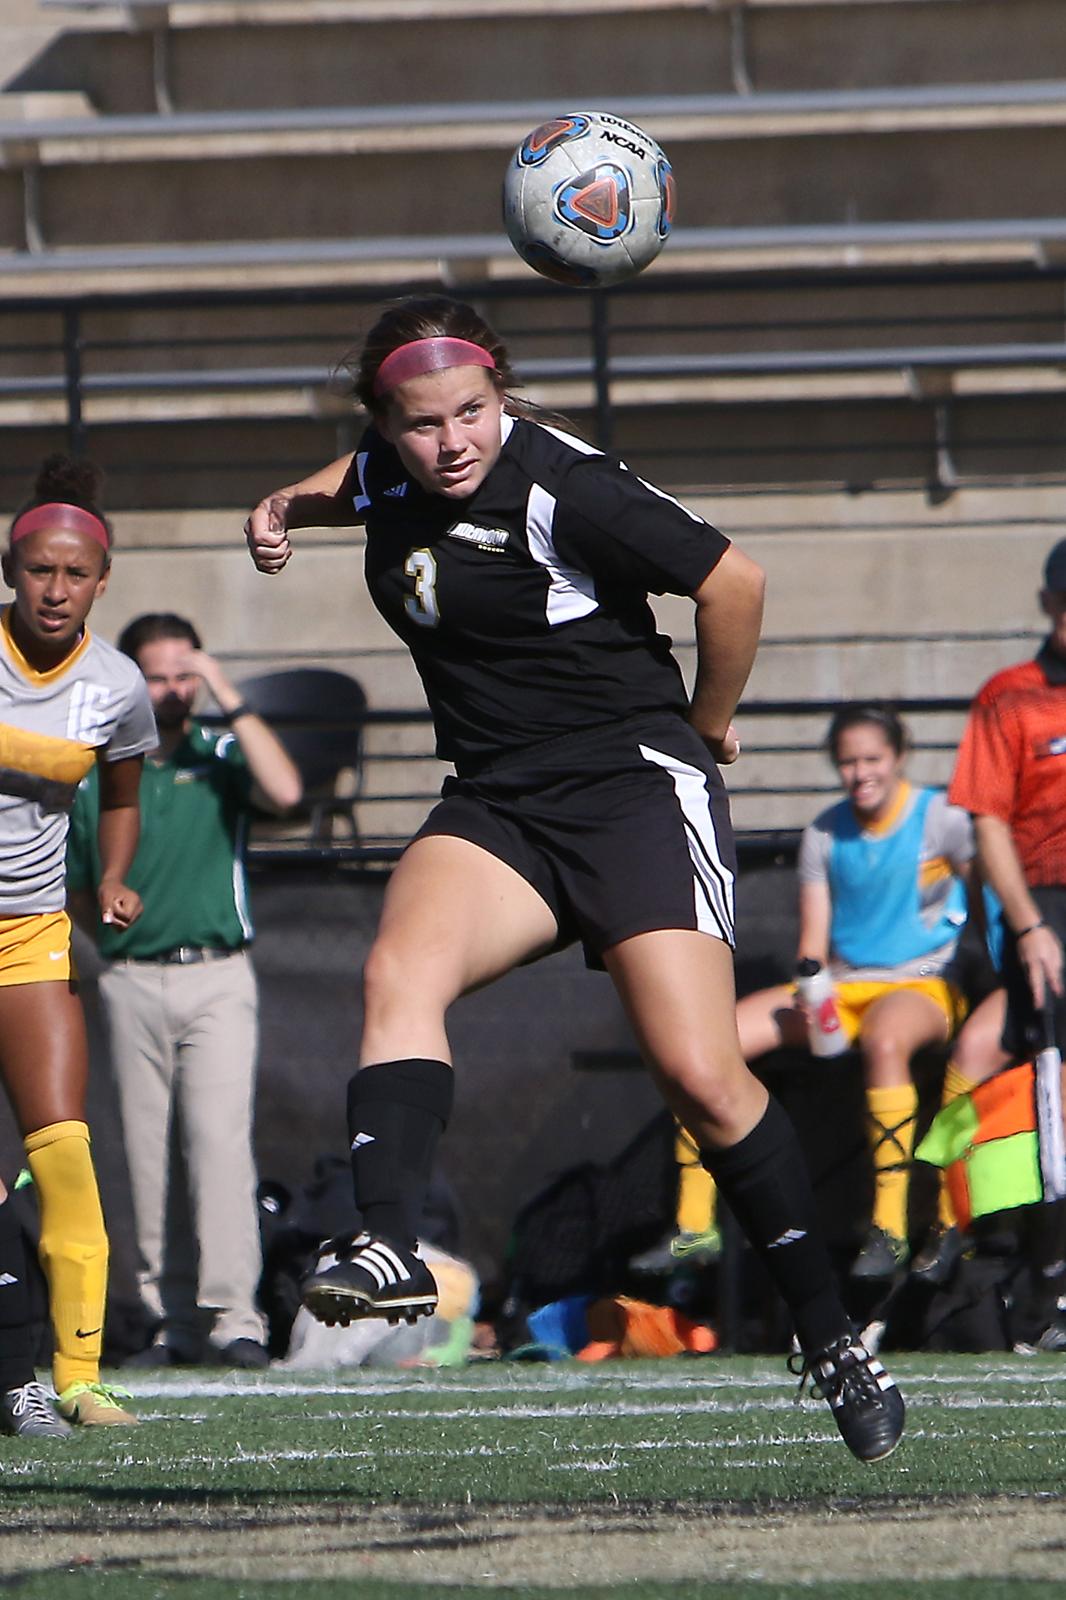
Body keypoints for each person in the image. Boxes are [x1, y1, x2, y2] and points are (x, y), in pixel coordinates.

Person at [243, 293, 905, 1462]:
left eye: (474, 410)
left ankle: (831, 1334)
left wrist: (708, 722)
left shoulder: (560, 482)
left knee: (702, 1073)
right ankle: (388, 1244)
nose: (453, 438)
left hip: (632, 787)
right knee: (398, 969)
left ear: (503, 393)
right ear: (384, 421)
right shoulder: (389, 468)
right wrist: (286, 502)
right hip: (498, 796)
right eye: (423, 420)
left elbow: (735, 581)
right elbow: (353, 480)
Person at [67, 614, 302, 1369]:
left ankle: (237, 1320)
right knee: (143, 1156)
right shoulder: (97, 771)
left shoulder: (221, 749)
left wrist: (225, 686)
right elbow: (71, 882)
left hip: (218, 977)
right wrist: (104, 946)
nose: (171, 691)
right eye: (156, 676)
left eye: (182, 674)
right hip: (130, 980)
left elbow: (287, 790)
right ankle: (169, 1323)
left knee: (219, 1144)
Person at [0, 454, 157, 1429]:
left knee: (62, 1147)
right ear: (9, 571)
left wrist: (110, 874)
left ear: (104, 579)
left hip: (32, 933)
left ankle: (77, 1376)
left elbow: (125, 795)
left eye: (74, 574)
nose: (54, 589)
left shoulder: (117, 683)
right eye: (36, 570)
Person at [734, 704, 975, 1283]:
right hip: (844, 988)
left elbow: (985, 896)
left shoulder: (941, 817)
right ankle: (696, 1226)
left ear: (897, 758)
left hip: (921, 983)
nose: (859, 772)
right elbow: (813, 941)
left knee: (887, 1036)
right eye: (847, 762)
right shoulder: (823, 832)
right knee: (716, 1040)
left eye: (871, 759)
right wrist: (814, 990)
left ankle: (889, 1227)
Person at [944, 538, 1066, 1347]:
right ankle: (1042, 1282)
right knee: (1050, 1098)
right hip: (1049, 910)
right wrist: (1028, 927)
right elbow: (987, 820)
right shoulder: (1009, 698)